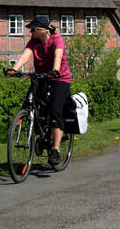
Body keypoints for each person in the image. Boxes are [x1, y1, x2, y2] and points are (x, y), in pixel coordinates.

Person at [5, 14, 72, 165]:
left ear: (42, 30)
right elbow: (25, 56)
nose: (30, 32)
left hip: (59, 78)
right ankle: (39, 131)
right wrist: (14, 69)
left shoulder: (57, 39)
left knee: (55, 111)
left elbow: (58, 55)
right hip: (41, 76)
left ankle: (55, 149)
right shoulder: (33, 42)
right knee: (30, 102)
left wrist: (55, 70)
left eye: (33, 29)